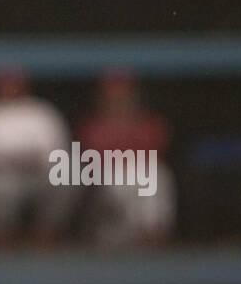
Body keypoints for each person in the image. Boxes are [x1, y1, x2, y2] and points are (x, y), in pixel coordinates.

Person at [0, 68, 74, 247]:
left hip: (37, 174)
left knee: (68, 177)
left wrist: (31, 162)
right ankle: (2, 242)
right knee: (2, 188)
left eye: (13, 80)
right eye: (4, 80)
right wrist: (7, 163)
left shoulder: (41, 111)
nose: (8, 85)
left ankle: (44, 239)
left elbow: (58, 154)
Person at [74, 69, 175, 247]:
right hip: (106, 179)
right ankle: (139, 237)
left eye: (123, 94)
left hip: (143, 175)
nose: (118, 99)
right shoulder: (92, 125)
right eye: (112, 94)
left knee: (156, 177)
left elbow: (156, 150)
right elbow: (93, 158)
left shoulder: (149, 122)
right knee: (125, 182)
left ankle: (153, 239)